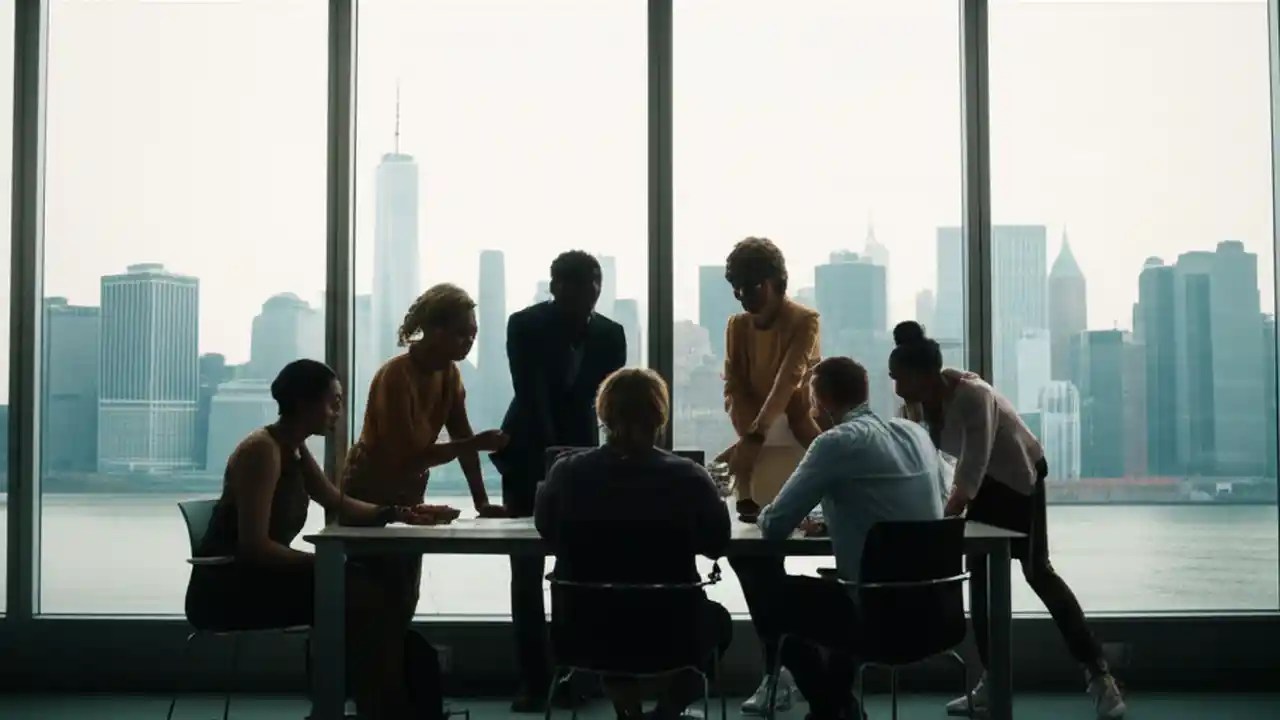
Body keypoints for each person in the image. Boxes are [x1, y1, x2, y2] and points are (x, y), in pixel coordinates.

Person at [185, 359, 458, 720]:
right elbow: (254, 548)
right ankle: (377, 706)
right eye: (333, 402)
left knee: (377, 593)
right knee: (370, 595)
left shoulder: (293, 448)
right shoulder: (262, 451)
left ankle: (373, 704)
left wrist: (400, 513)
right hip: (231, 590)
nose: (338, 413)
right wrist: (326, 564)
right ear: (304, 403)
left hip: (264, 578)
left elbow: (335, 500)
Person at [888, 321, 1127, 720]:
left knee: (1038, 573)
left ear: (923, 375)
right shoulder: (914, 405)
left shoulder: (973, 396)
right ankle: (993, 681)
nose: (895, 387)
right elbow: (926, 463)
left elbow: (971, 469)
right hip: (985, 486)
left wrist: (937, 521)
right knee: (980, 583)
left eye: (900, 378)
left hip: (1019, 478)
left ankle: (1099, 676)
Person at [535, 368, 732, 720]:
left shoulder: (566, 473)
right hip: (671, 631)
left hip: (583, 631)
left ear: (603, 414)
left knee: (610, 610)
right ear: (659, 416)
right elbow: (717, 544)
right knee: (718, 624)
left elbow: (547, 530)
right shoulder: (689, 477)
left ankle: (630, 715)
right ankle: (666, 713)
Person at [756, 356, 946, 720]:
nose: (812, 413)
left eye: (813, 403)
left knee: (770, 597)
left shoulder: (836, 442)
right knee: (840, 592)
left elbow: (775, 524)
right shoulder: (915, 434)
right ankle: (840, 704)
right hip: (935, 610)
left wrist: (762, 512)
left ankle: (830, 708)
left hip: (875, 614)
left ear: (824, 401)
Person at [342, 283, 511, 658]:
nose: (469, 342)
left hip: (408, 494)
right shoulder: (396, 376)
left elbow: (462, 434)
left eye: (473, 334)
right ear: (434, 330)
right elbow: (407, 455)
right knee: (372, 596)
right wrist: (473, 444)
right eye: (461, 333)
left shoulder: (450, 374)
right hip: (369, 494)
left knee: (404, 594)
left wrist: (481, 501)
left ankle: (390, 681)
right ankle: (368, 680)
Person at [494, 250, 628, 712]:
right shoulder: (525, 325)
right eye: (578, 289)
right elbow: (531, 395)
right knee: (526, 571)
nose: (588, 297)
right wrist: (556, 460)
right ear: (555, 288)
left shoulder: (611, 333)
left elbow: (608, 404)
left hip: (584, 458)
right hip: (528, 456)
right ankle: (534, 681)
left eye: (594, 287)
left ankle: (578, 676)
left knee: (580, 569)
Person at [718, 237, 821, 715]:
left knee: (777, 566)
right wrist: (749, 437)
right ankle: (779, 671)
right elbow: (734, 385)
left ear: (778, 282)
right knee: (754, 564)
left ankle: (789, 671)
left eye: (752, 285)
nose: (743, 295)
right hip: (755, 452)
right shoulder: (736, 326)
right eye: (737, 287)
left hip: (795, 447)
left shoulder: (804, 320)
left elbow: (789, 381)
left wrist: (756, 435)